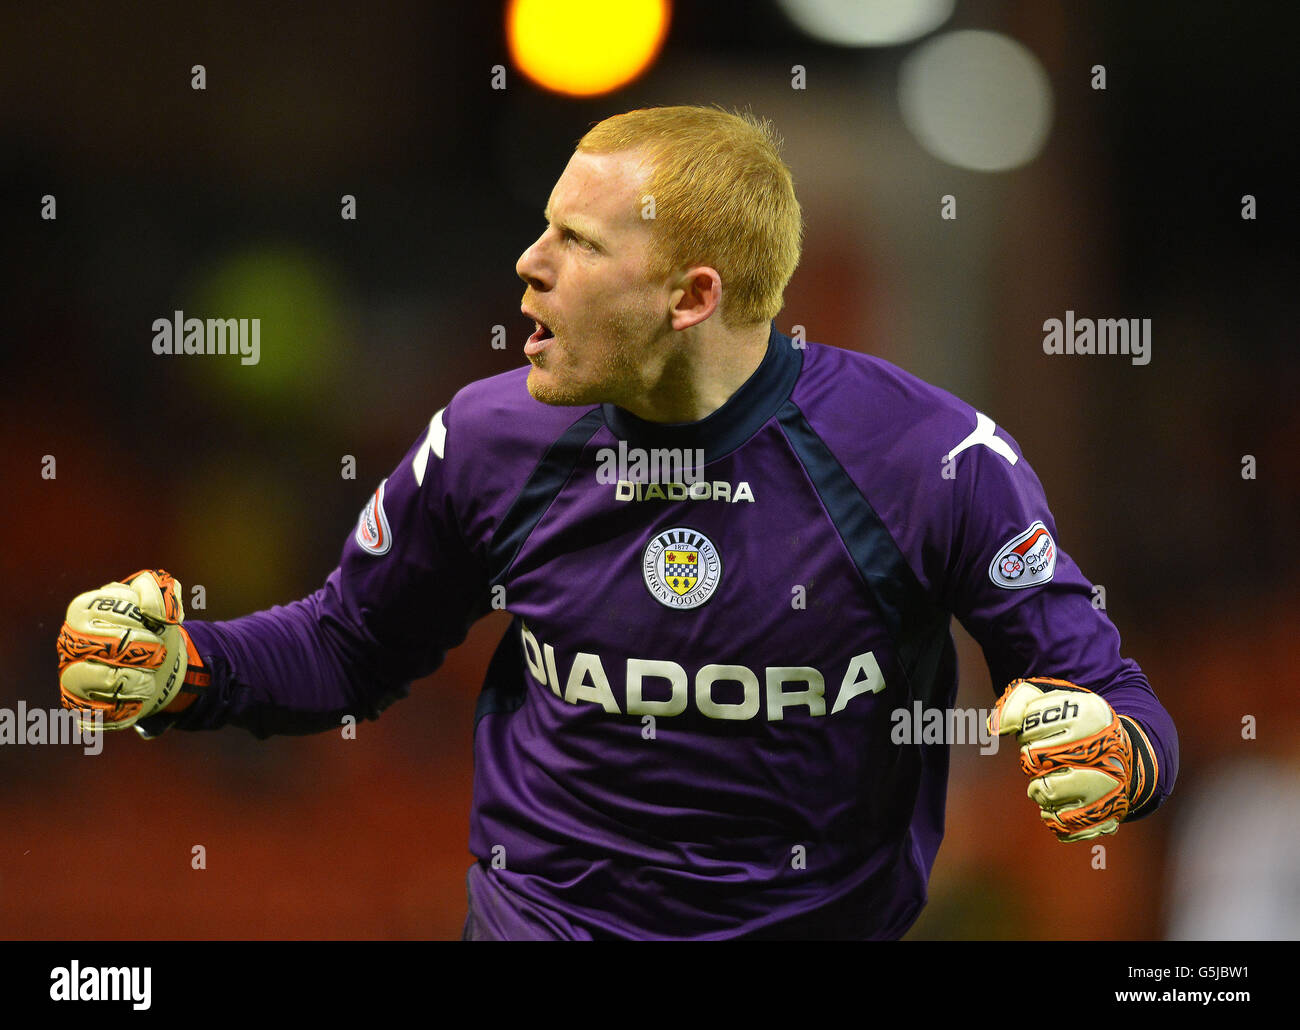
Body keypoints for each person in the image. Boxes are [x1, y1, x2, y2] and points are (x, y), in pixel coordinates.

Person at [56, 105, 1177, 940]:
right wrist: (183, 668)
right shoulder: (490, 438)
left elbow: (1110, 696)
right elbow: (350, 645)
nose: (528, 266)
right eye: (545, 229)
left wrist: (1115, 758)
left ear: (691, 296)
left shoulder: (928, 460)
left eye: (577, 244)